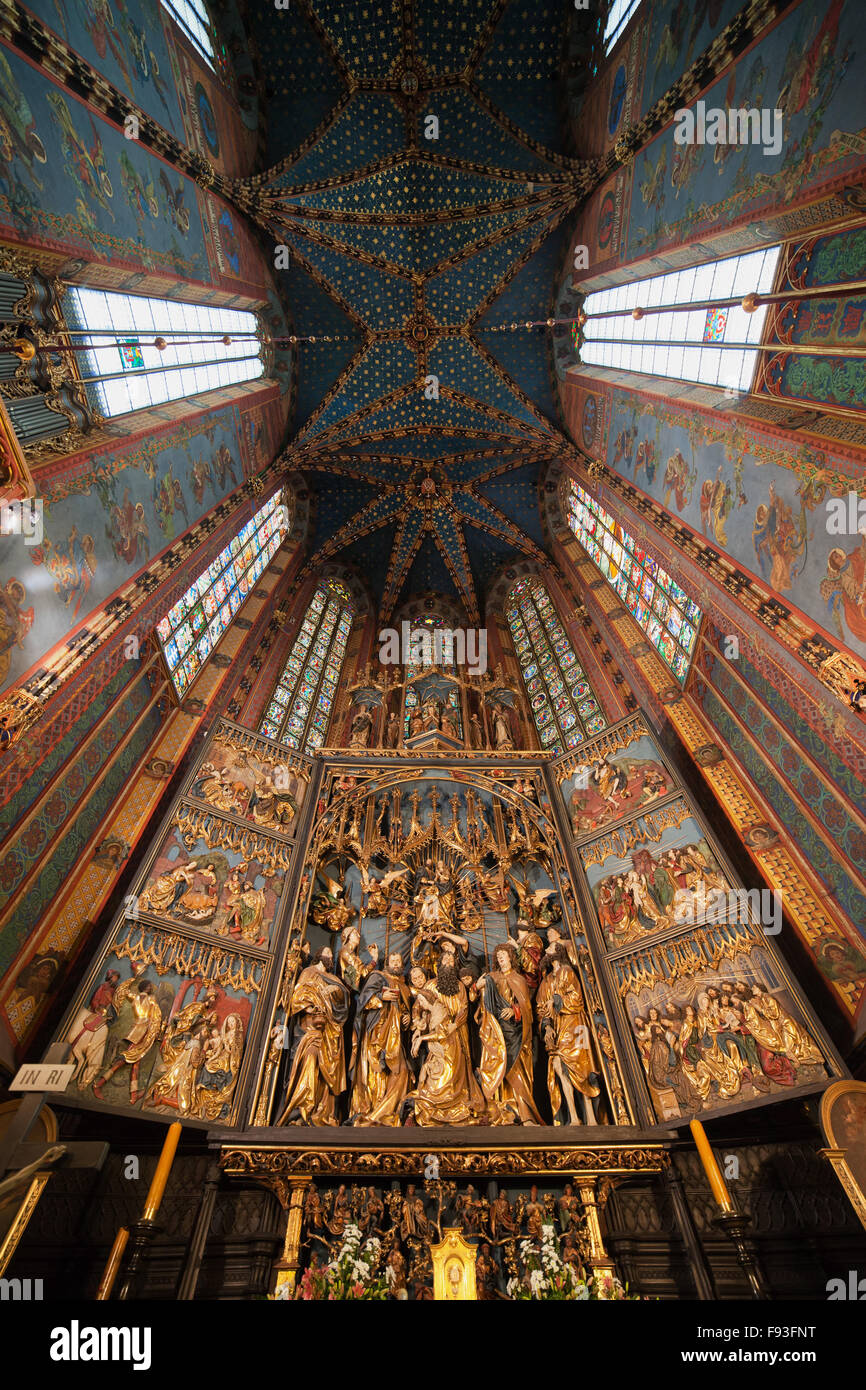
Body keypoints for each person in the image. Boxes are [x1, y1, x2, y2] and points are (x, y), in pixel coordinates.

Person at [278, 949, 351, 1125]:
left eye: (331, 955)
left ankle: (323, 1112)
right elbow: (298, 996)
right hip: (309, 1027)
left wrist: (336, 991)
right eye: (327, 952)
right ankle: (303, 1108)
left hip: (330, 1029)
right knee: (310, 1058)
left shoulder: (334, 979)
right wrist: (311, 1006)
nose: (330, 956)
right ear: (319, 956)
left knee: (328, 1070)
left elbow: (344, 1000)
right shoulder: (309, 972)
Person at [476, 943, 542, 1125]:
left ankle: (525, 1114)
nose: (501, 958)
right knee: (498, 1068)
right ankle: (501, 1113)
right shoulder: (492, 976)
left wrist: (515, 1011)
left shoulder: (518, 979)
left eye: (504, 955)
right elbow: (475, 995)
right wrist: (478, 986)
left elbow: (527, 1007)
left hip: (514, 1031)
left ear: (511, 957)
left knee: (516, 1069)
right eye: (498, 956)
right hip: (495, 1029)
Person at [537, 946, 599, 1125]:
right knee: (560, 1069)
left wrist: (556, 1001)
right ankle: (573, 1116)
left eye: (549, 947)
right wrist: (547, 1026)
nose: (545, 950)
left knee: (582, 1068)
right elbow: (541, 1008)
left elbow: (577, 998)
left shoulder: (567, 971)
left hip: (575, 1025)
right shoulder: (546, 981)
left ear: (557, 953)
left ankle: (591, 1116)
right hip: (557, 1028)